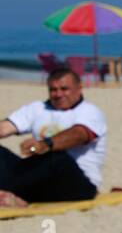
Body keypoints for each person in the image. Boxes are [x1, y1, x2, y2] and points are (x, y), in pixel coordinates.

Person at [0, 68, 108, 207]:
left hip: (77, 182)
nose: (58, 94)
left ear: (79, 88)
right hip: (39, 176)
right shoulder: (37, 108)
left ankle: (15, 193)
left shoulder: (90, 111)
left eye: (64, 89)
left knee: (56, 157)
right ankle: (14, 194)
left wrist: (45, 145)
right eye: (53, 90)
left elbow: (79, 134)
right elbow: (4, 128)